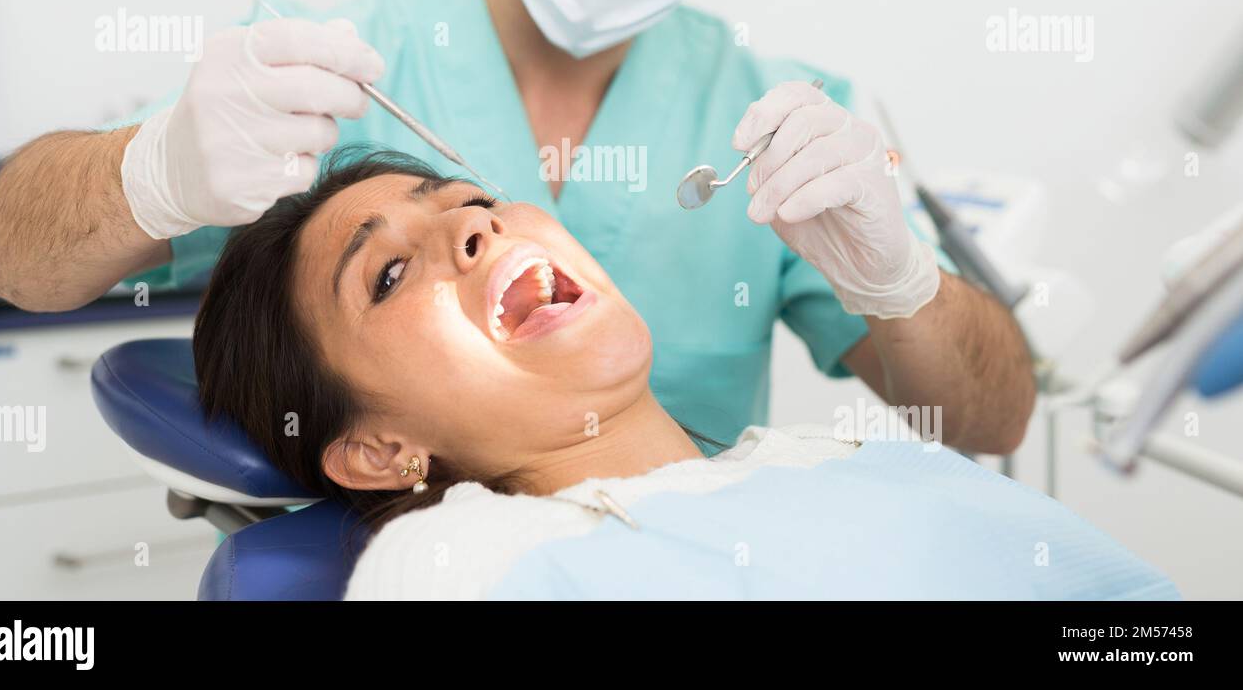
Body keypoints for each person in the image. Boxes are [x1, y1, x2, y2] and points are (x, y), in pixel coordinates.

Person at [0, 0, 1034, 448]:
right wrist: (156, 173)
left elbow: (986, 422)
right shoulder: (341, 62)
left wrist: (902, 285)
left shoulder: (777, 119)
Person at [193, 148, 1175, 600]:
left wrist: (904, 277)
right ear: (378, 448)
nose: (472, 224)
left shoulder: (847, 455)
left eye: (472, 198)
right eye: (388, 272)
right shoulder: (461, 565)